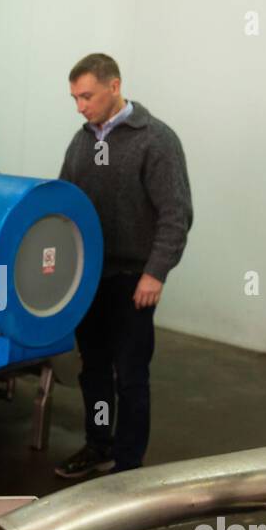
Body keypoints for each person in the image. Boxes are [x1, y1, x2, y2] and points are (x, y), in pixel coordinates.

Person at [54, 53, 192, 478]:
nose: (81, 106)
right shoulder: (81, 141)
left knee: (130, 375)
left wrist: (156, 272)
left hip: (135, 280)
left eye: (88, 96)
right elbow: (65, 205)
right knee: (93, 371)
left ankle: (129, 464)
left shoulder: (156, 140)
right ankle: (99, 444)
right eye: (75, 98)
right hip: (89, 276)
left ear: (114, 87)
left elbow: (176, 212)